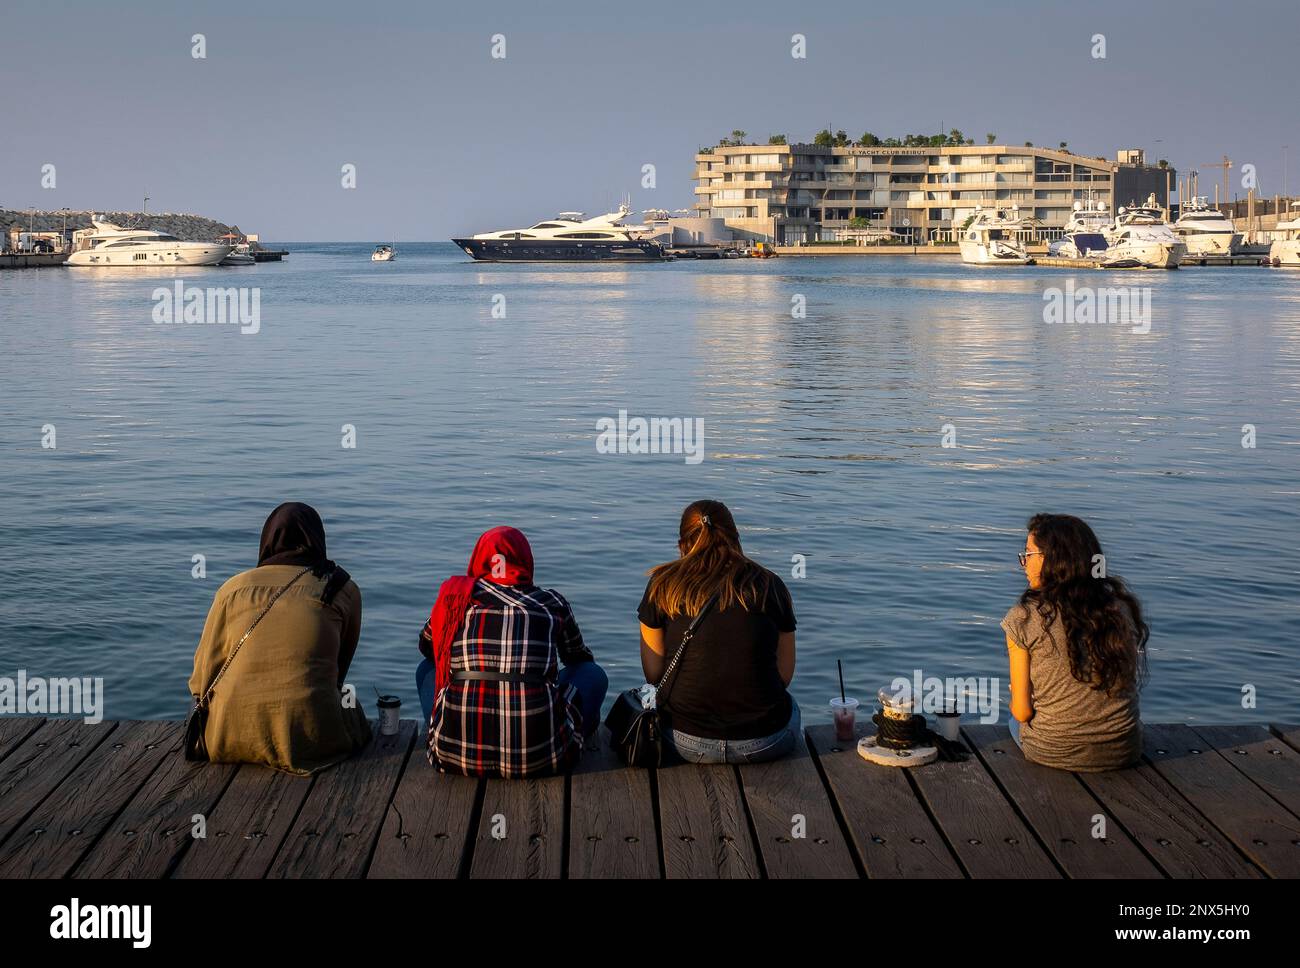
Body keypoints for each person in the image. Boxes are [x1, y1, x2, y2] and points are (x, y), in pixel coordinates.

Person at [188, 503, 371, 775]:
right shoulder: (341, 588)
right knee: (352, 708)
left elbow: (202, 678)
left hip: (227, 735)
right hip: (313, 739)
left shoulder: (232, 589)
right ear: (317, 539)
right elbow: (338, 671)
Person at [416, 526, 607, 778]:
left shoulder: (455, 599)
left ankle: (447, 729)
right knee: (592, 674)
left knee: (426, 668)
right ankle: (575, 731)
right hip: (543, 758)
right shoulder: (551, 602)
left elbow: (428, 647)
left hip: (451, 756)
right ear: (526, 560)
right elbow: (577, 658)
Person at [638, 500, 799, 764]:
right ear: (736, 537)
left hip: (682, 740)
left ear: (682, 544)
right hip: (764, 741)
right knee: (790, 707)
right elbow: (783, 676)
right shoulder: (770, 584)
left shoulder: (661, 586)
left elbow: (653, 674)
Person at [1002, 513, 1149, 771]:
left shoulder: (1024, 617)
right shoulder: (1121, 609)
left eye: (1029, 554)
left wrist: (1018, 694)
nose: (1023, 563)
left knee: (1012, 719)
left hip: (1054, 751)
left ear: (1053, 560)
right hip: (1124, 750)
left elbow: (1023, 713)